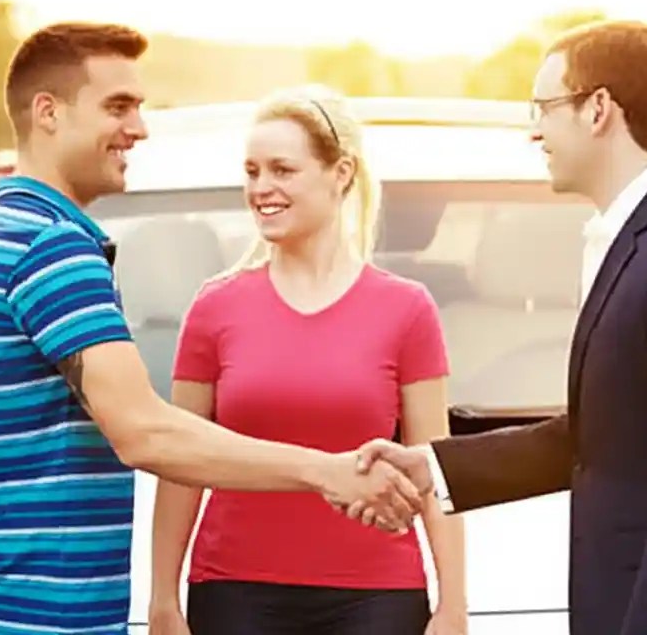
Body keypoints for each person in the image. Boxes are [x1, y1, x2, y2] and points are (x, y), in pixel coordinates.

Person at [0, 24, 428, 635]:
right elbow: (144, 432)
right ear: (48, 113)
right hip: (37, 621)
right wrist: (325, 470)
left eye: (138, 107)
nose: (138, 128)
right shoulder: (53, 250)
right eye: (118, 107)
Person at [353, 20, 647, 635]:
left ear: (598, 110)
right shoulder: (640, 239)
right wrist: (435, 466)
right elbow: (603, 439)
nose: (535, 129)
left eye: (544, 107)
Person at [147, 85, 468, 635]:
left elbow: (434, 471)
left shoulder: (406, 309)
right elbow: (182, 466)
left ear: (340, 173)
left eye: (282, 170)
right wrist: (162, 601)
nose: (261, 188)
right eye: (251, 172)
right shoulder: (215, 307)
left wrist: (454, 604)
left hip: (377, 596)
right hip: (234, 592)